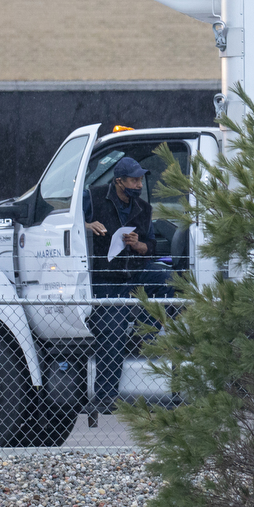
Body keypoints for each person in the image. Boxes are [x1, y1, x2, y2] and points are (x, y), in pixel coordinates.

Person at [83, 155, 173, 413]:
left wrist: (137, 244)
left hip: (134, 272)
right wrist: (88, 226)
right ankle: (104, 398)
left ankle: (146, 332)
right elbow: (69, 224)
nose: (139, 184)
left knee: (169, 280)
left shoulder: (143, 208)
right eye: (134, 179)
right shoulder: (93, 196)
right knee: (111, 331)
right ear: (119, 181)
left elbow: (151, 247)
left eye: (140, 179)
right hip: (105, 276)